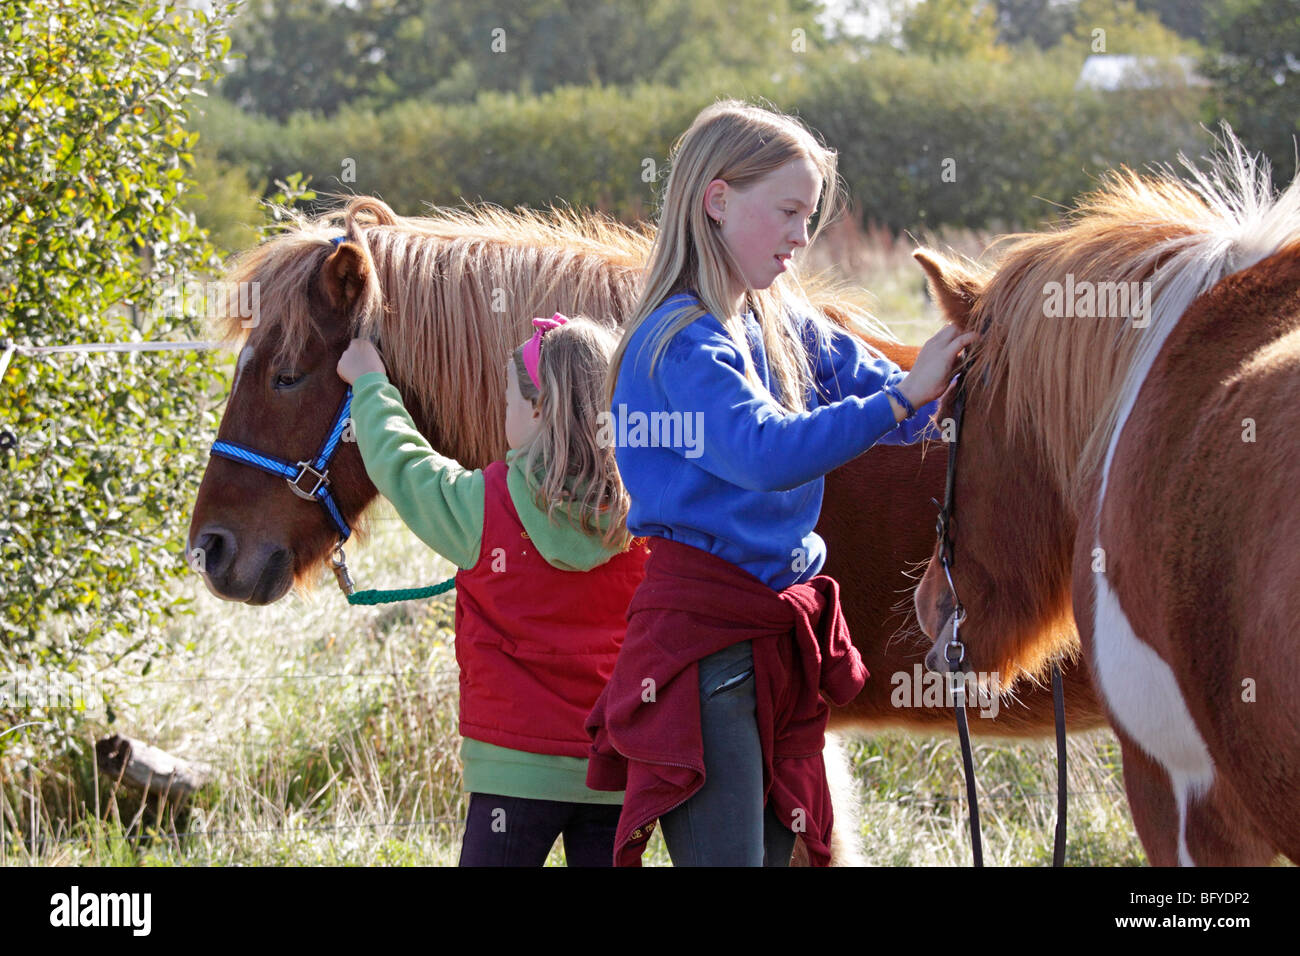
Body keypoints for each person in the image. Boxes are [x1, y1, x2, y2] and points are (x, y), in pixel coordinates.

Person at [585, 99, 978, 866]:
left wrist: (955, 383)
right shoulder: (679, 341)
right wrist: (904, 396)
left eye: (812, 216)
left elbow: (885, 393)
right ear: (717, 201)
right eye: (790, 212)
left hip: (770, 635)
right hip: (704, 643)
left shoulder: (777, 320)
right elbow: (763, 452)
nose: (804, 235)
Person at [337, 313, 649, 866]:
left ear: (535, 408)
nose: (503, 411)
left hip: (512, 771)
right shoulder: (644, 522)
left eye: (508, 399)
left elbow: (403, 465)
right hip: (614, 772)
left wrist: (369, 383)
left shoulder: (482, 506)